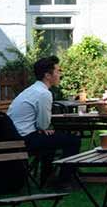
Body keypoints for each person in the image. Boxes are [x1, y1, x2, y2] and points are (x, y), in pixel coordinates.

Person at [7, 55, 79, 183]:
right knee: (73, 140)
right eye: (57, 71)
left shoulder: (32, 90)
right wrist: (43, 129)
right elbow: (43, 124)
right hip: (24, 138)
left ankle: (47, 177)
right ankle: (64, 181)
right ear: (47, 75)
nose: (59, 74)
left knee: (50, 139)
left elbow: (41, 126)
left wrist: (43, 129)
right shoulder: (44, 93)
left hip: (14, 135)